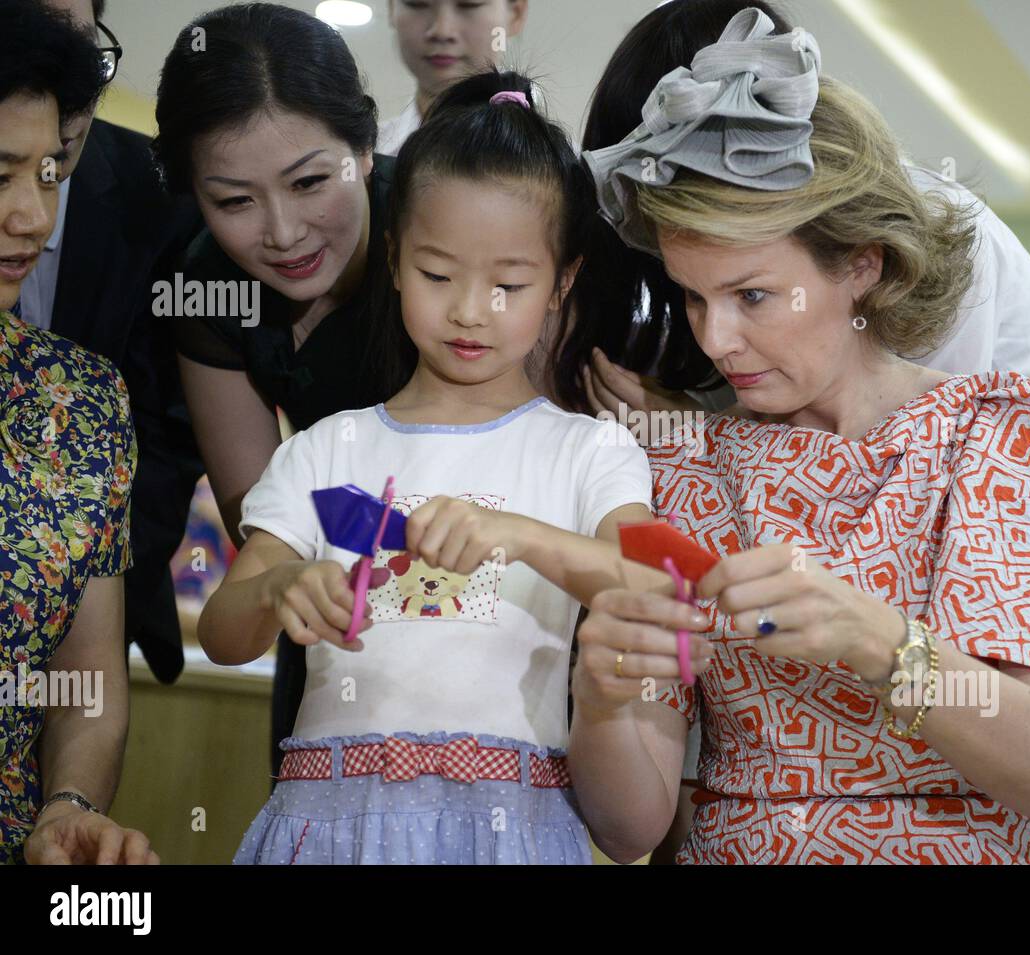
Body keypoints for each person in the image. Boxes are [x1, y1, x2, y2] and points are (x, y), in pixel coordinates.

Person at [570, 0, 1030, 864]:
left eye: (752, 296)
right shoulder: (678, 466)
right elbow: (630, 826)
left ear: (862, 264)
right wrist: (603, 699)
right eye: (692, 297)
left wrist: (880, 643)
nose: (714, 342)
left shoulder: (1004, 443)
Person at [197, 71, 683, 863]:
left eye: (508, 284)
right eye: (437, 274)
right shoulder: (327, 447)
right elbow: (223, 631)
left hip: (512, 823)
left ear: (561, 282)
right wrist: (279, 589)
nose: (468, 310)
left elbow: (656, 587)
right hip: (331, 818)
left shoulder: (589, 450)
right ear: (393, 262)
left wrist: (520, 536)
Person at [154, 3, 400, 780]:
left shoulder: (432, 229)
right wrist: (307, 561)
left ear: (364, 148)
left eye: (309, 181)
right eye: (234, 201)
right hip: (317, 605)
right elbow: (259, 516)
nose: (284, 231)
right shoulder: (206, 285)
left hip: (478, 604)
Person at [1, 0, 157, 865]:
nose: (33, 217)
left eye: (50, 173)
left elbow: (86, 674)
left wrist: (67, 807)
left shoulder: (83, 402)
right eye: (0, 176)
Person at [15, 0, 204, 684]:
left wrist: (65, 588)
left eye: (77, 48)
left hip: (93, 610)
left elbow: (169, 434)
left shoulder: (160, 196)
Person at [378, 0, 528, 155]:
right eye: (416, 3)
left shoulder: (547, 160)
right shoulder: (366, 156)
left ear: (515, 14)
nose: (442, 31)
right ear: (391, 8)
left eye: (469, 4)